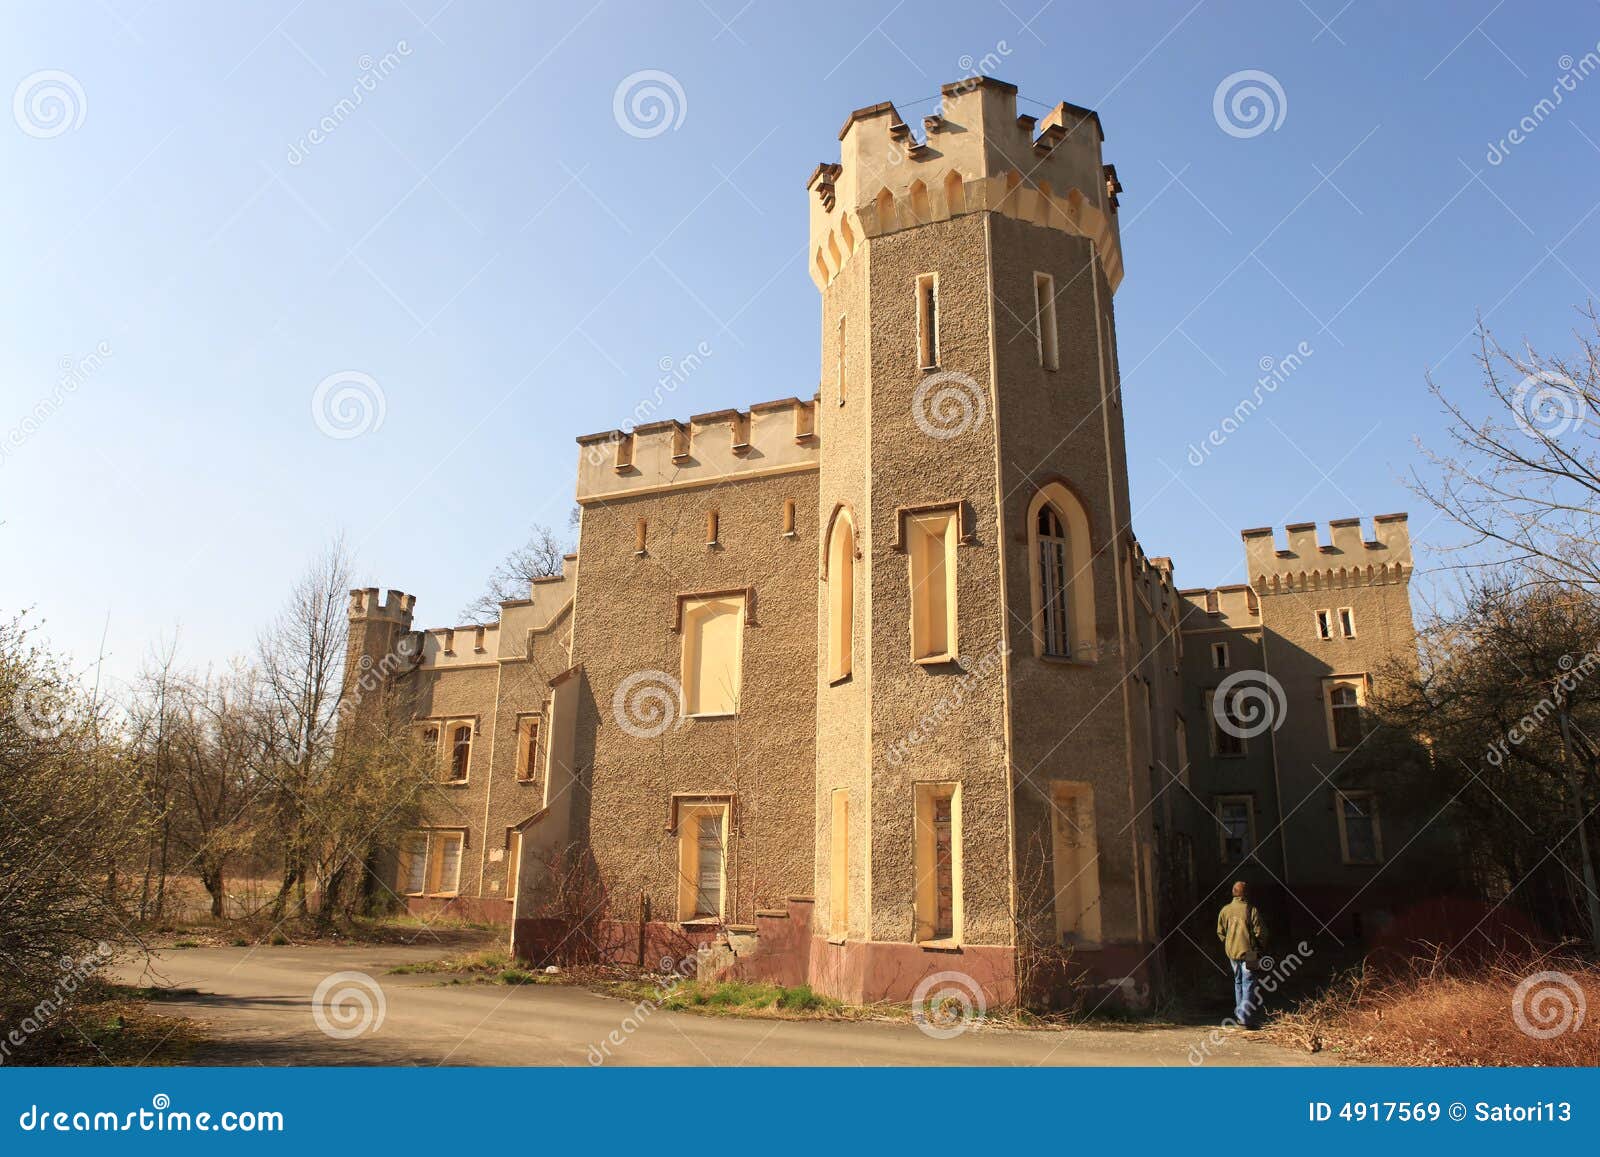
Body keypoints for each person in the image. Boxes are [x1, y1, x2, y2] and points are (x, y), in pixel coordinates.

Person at [1216, 880, 1267, 1028]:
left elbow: (1220, 932)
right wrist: (1261, 948)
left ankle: (1240, 1015)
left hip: (1232, 952)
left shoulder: (1225, 910)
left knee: (1238, 982)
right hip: (1250, 953)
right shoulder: (1251, 910)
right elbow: (1260, 933)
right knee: (1249, 984)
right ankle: (1245, 1018)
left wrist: (1229, 943)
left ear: (1233, 893)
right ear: (1246, 894)